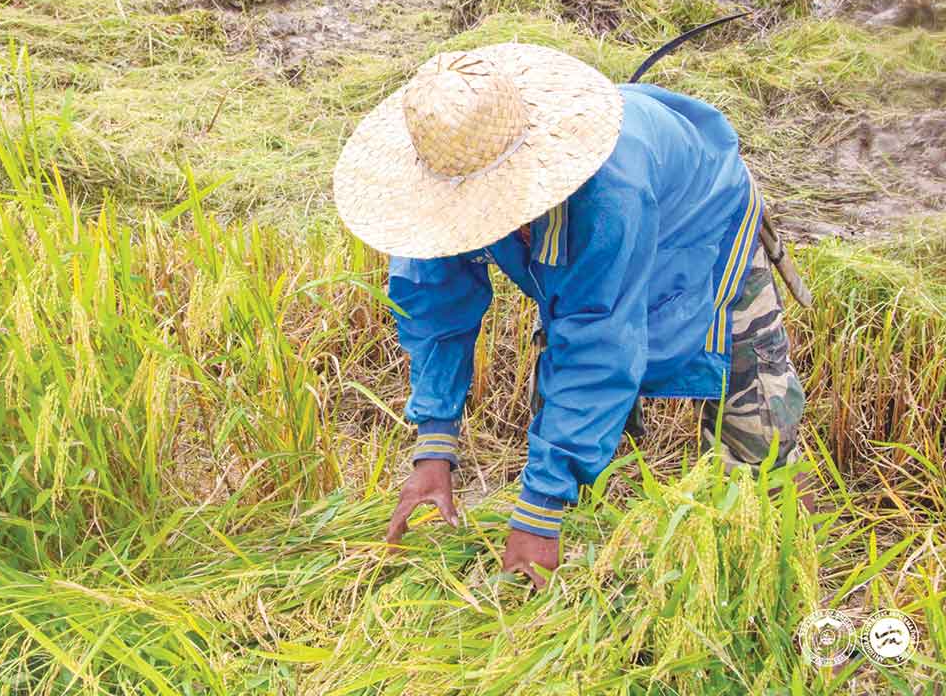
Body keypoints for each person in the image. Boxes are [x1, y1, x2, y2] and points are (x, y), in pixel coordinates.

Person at [332, 43, 813, 588]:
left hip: (701, 225)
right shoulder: (442, 175)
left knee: (751, 424)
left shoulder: (609, 195)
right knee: (574, 388)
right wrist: (434, 445)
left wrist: (537, 510)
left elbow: (598, 344)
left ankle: (764, 574)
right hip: (605, 230)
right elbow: (434, 309)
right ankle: (595, 540)